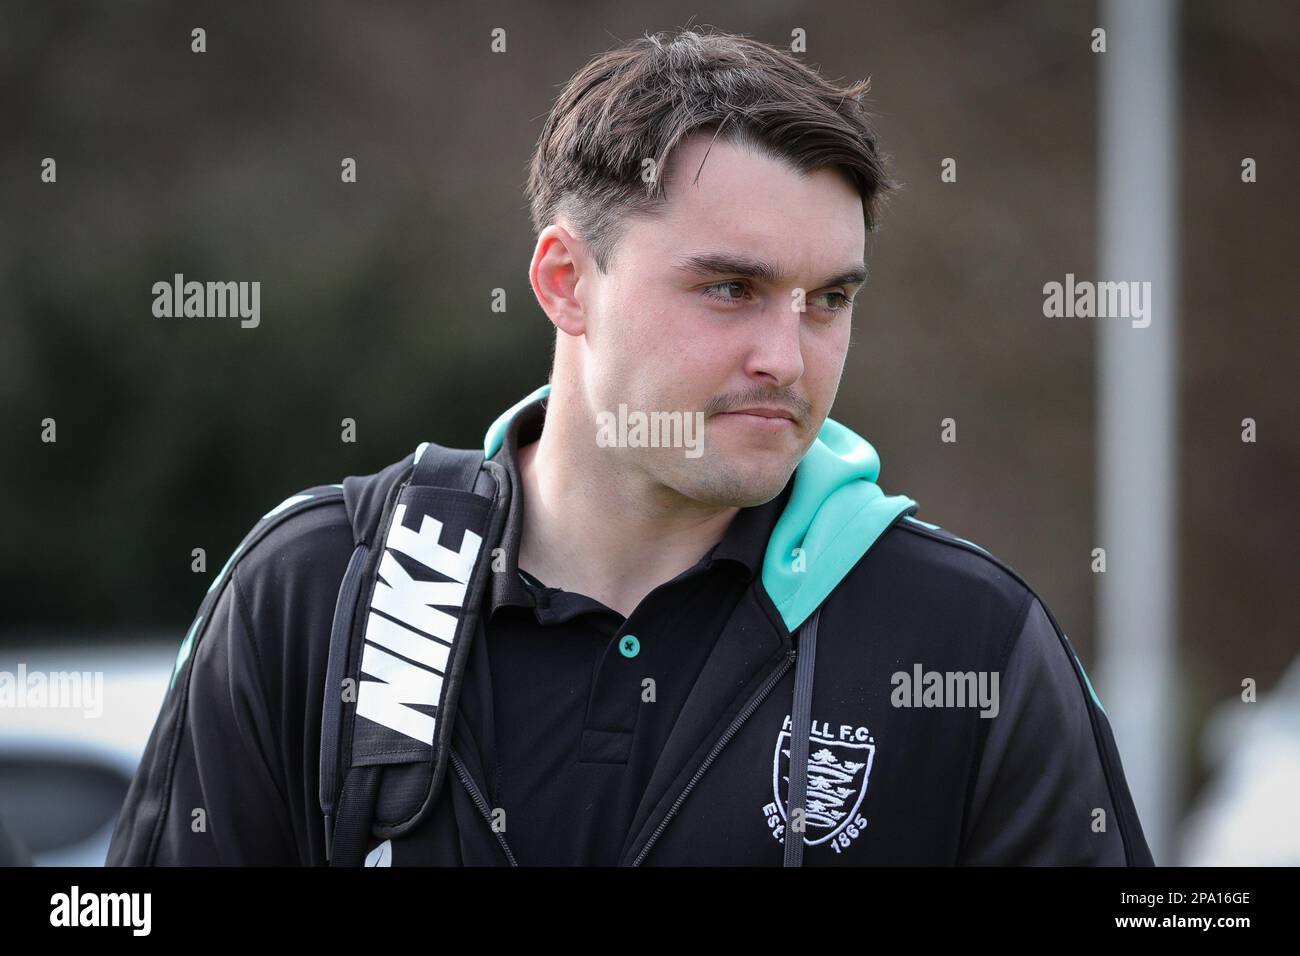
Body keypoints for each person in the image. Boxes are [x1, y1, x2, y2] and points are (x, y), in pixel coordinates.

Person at [107, 28, 1153, 866]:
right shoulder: (316, 589)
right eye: (729, 288)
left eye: (829, 298)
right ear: (566, 281)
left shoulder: (967, 638)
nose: (786, 357)